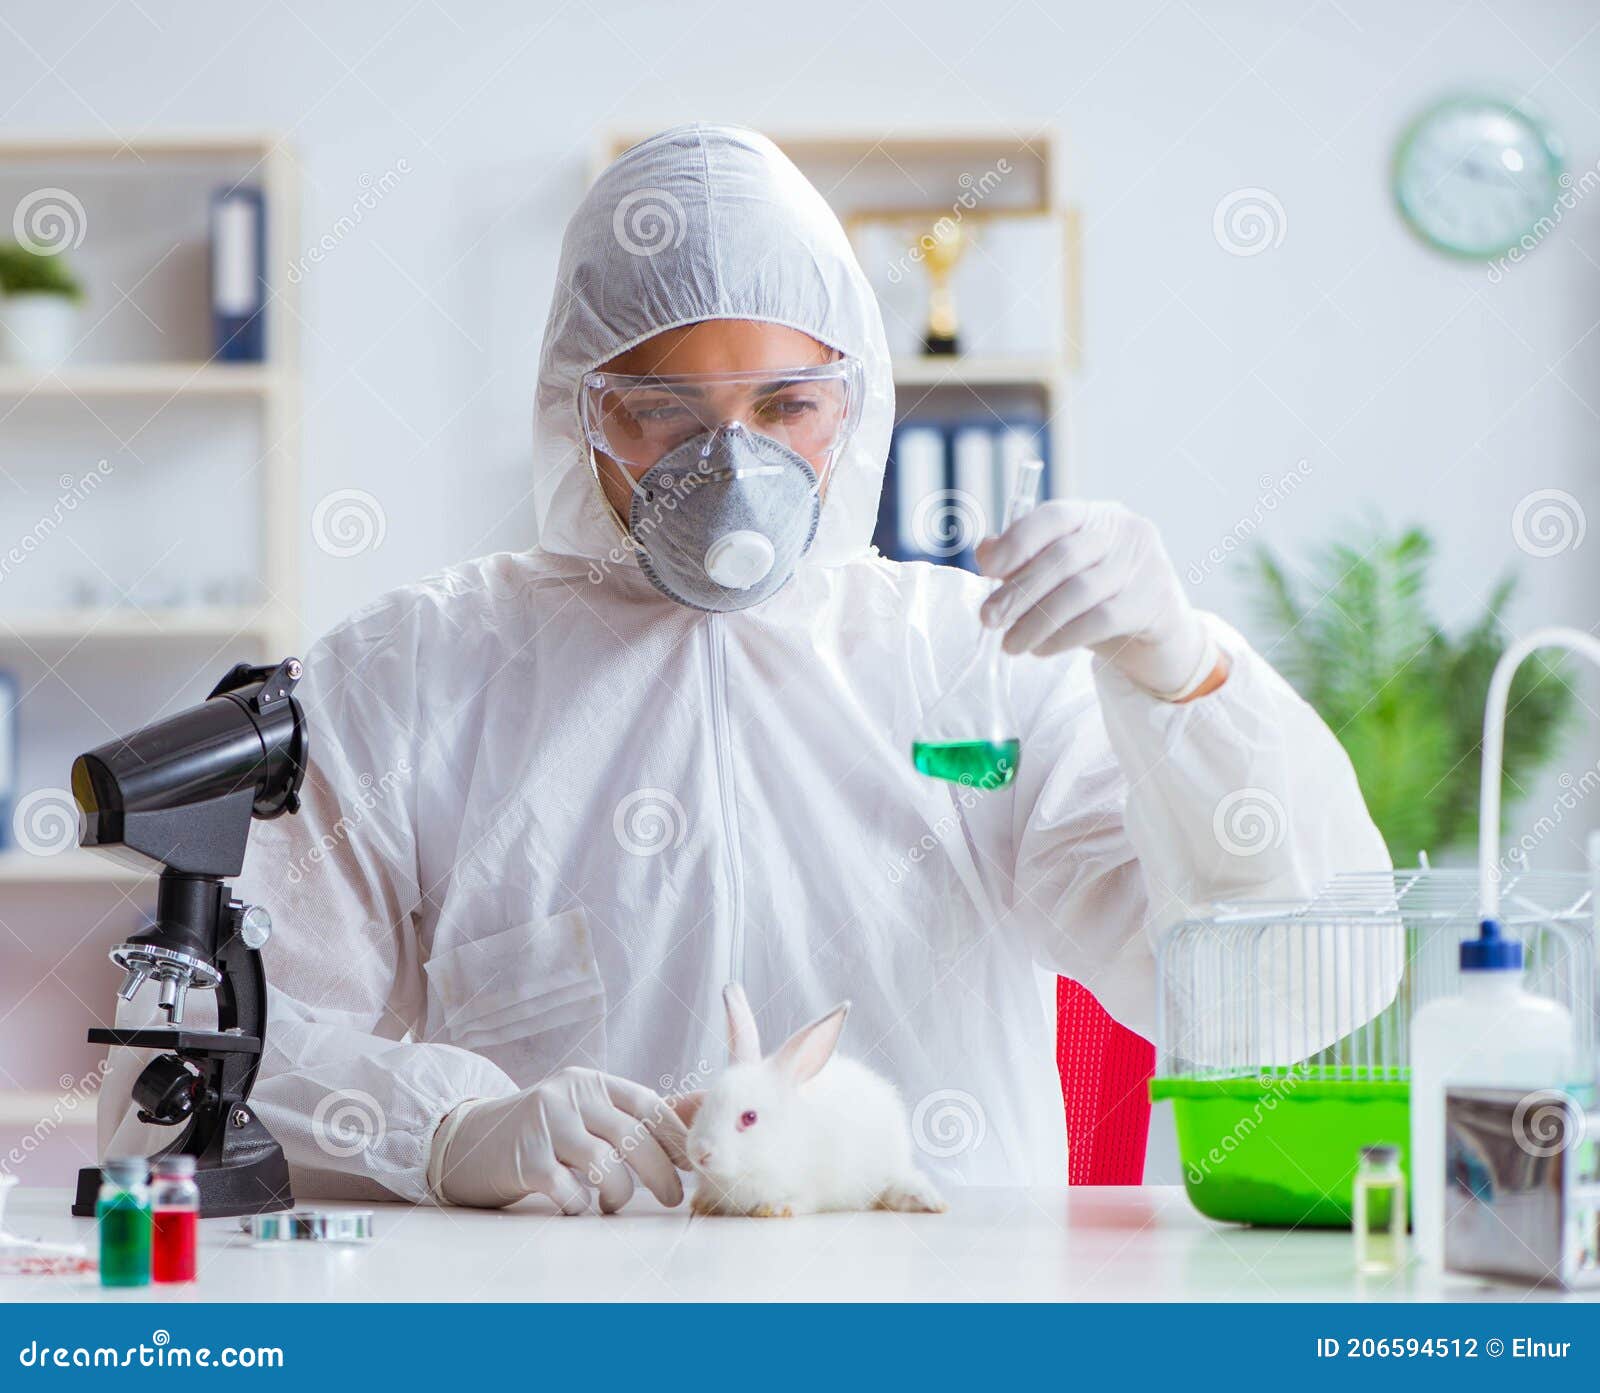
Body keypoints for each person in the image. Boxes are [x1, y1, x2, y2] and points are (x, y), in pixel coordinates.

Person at [147, 125, 1386, 1211]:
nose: (733, 465)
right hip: (566, 1323)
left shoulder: (978, 660)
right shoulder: (417, 672)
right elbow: (189, 1053)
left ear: (855, 400)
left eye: (788, 404)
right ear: (581, 411)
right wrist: (441, 1130)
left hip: (945, 1318)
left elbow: (1272, 1001)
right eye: (663, 412)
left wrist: (1185, 680)